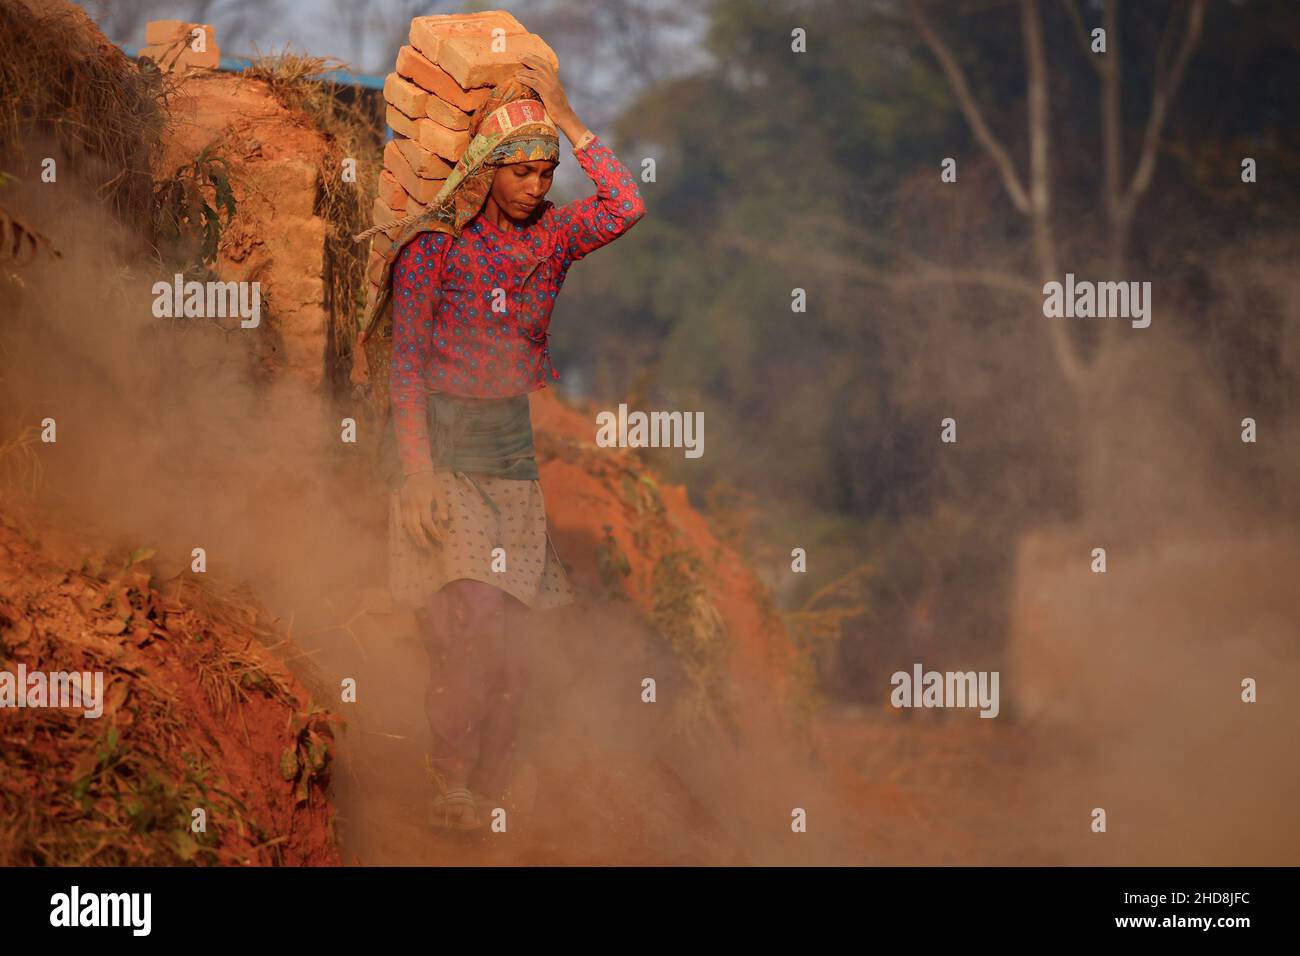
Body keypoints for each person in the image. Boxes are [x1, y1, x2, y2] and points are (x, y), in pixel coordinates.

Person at [356, 55, 646, 830]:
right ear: (486, 170)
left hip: (510, 454)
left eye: (548, 170)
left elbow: (626, 205)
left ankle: (491, 786)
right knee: (474, 623)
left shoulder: (552, 239)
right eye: (521, 170)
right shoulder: (434, 249)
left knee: (516, 644)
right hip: (442, 451)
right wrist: (415, 476)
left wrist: (570, 116)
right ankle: (449, 780)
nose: (538, 184)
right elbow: (408, 367)